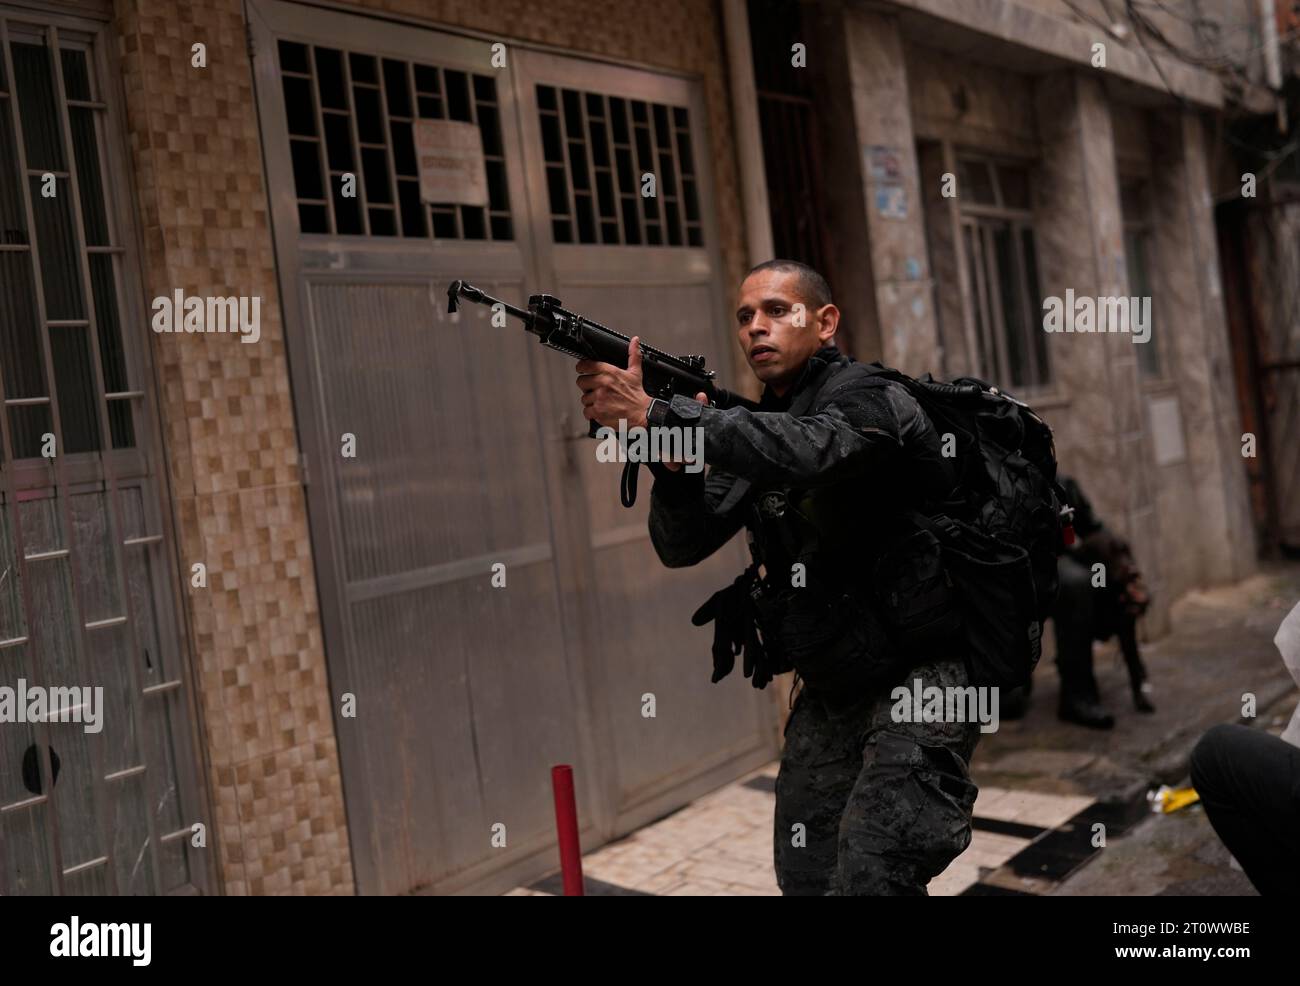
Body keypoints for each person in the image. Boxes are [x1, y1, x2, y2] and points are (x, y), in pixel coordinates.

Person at [573, 259, 978, 895]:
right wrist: (673, 466)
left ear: (825, 322)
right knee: (807, 873)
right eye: (744, 317)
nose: (757, 327)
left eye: (776, 311)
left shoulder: (875, 399)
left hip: (923, 672)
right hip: (834, 679)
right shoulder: (751, 430)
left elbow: (813, 449)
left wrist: (665, 416)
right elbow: (681, 546)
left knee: (875, 867)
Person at [1045, 474, 1153, 730]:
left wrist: (1126, 570)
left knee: (1104, 580)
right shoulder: (986, 466)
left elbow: (1092, 528)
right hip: (1008, 566)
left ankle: (1078, 695)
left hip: (1060, 559)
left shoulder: (1058, 482)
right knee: (1074, 582)